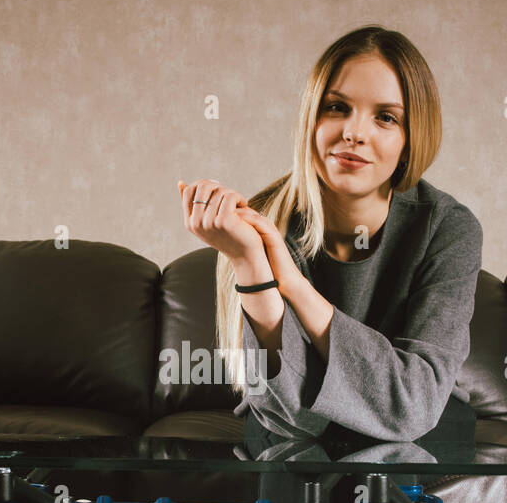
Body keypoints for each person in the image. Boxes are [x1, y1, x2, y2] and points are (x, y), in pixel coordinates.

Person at [178, 24, 482, 477]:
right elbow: (291, 419)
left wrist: (298, 289)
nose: (354, 133)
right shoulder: (268, 219)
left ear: (411, 138)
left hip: (419, 450)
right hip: (292, 454)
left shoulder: (449, 228)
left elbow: (411, 408)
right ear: (311, 119)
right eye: (337, 107)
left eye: (386, 117)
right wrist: (249, 265)